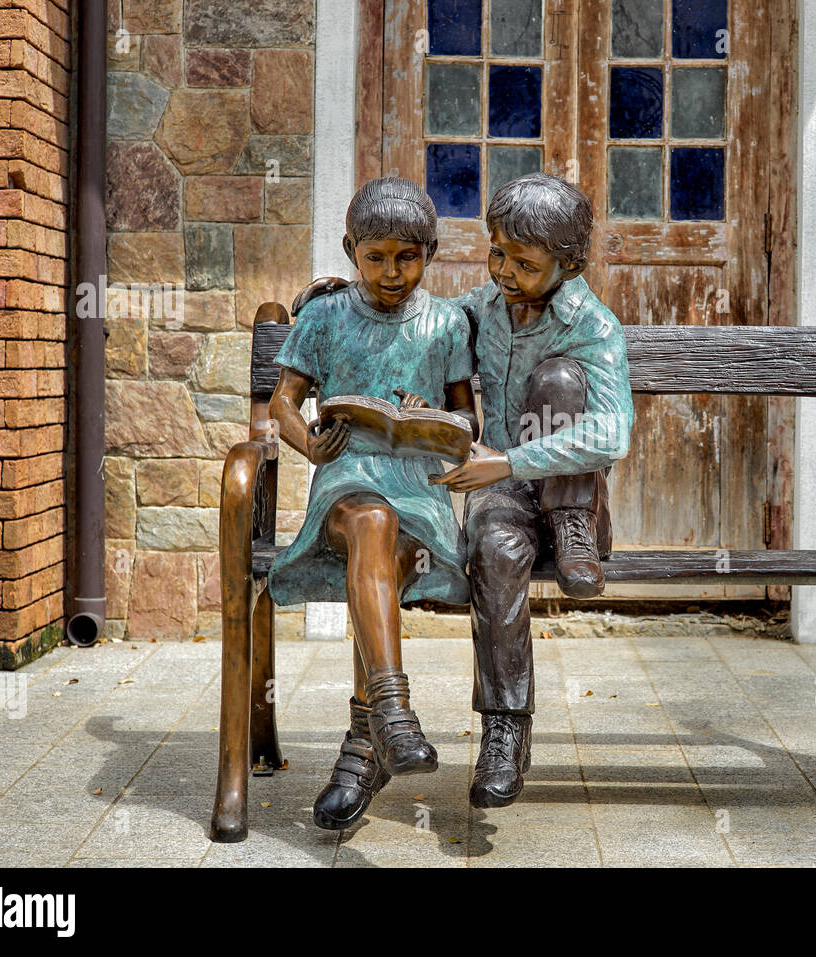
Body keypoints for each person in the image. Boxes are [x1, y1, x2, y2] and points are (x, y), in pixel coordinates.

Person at [267, 176, 475, 830]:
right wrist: (311, 445)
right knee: (370, 519)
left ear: (431, 252)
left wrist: (434, 416)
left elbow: (469, 423)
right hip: (344, 490)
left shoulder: (446, 323)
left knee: (382, 536)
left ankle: (366, 739)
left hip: (418, 494)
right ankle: (391, 711)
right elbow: (281, 403)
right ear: (350, 250)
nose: (392, 272)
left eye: (407, 257)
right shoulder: (325, 317)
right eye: (376, 257)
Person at [433, 173, 634, 809]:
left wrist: (509, 460)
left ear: (568, 266)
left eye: (525, 263)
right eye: (497, 253)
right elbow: (421, 320)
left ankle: (571, 526)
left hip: (570, 495)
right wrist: (350, 294)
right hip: (508, 495)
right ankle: (504, 730)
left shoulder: (594, 326)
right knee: (491, 550)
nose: (505, 272)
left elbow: (612, 429)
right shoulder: (484, 309)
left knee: (559, 380)